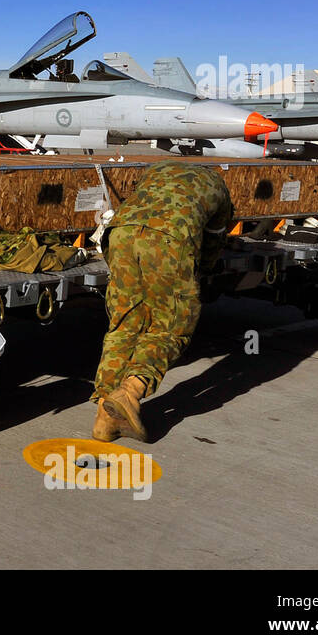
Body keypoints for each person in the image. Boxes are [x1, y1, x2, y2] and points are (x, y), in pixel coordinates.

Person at [90, 160, 233, 443]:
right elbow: (212, 247)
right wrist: (196, 272)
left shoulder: (155, 172)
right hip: (169, 239)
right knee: (168, 328)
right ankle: (129, 394)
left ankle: (105, 419)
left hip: (120, 232)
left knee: (123, 326)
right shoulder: (220, 190)